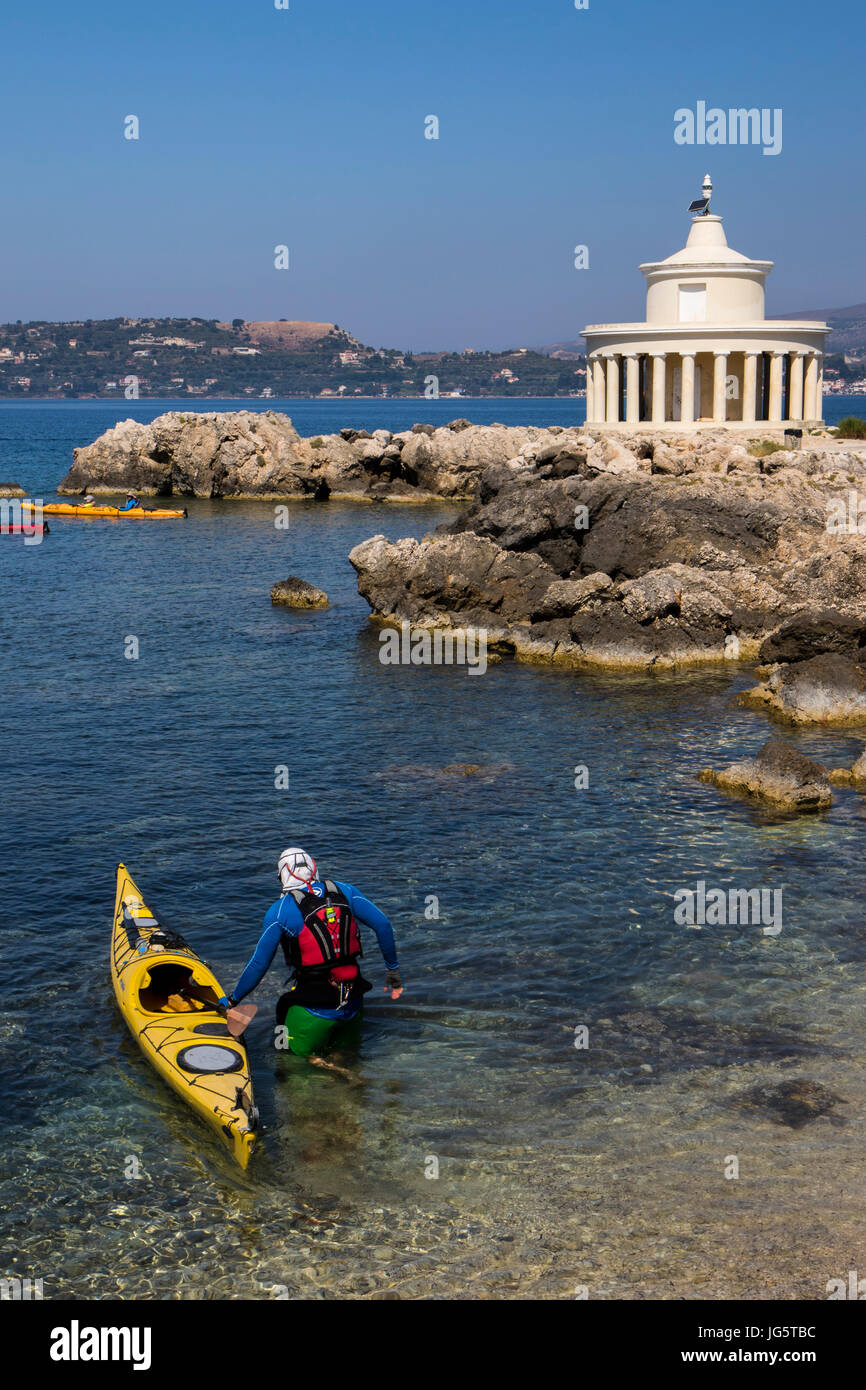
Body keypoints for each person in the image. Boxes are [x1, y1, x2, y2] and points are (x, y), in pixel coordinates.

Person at [220, 847, 402, 1059]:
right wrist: (393, 972)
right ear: (314, 868)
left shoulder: (280, 911)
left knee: (291, 1064)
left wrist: (233, 999)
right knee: (349, 1058)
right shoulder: (346, 891)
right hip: (354, 1004)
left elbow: (259, 964)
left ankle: (321, 1065)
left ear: (282, 876)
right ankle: (349, 1076)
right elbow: (383, 925)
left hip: (312, 1013)